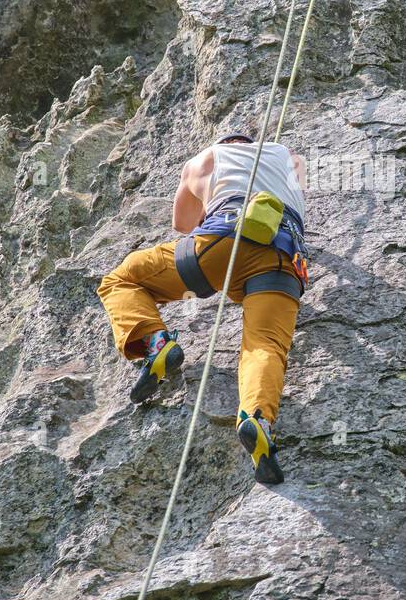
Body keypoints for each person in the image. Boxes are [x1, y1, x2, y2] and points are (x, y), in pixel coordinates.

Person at [97, 132, 308, 484]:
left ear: (224, 145)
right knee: (265, 346)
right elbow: (298, 185)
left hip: (218, 242)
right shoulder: (287, 155)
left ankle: (155, 342)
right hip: (283, 256)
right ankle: (256, 418)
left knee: (121, 280)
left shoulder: (203, 160)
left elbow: (182, 224)